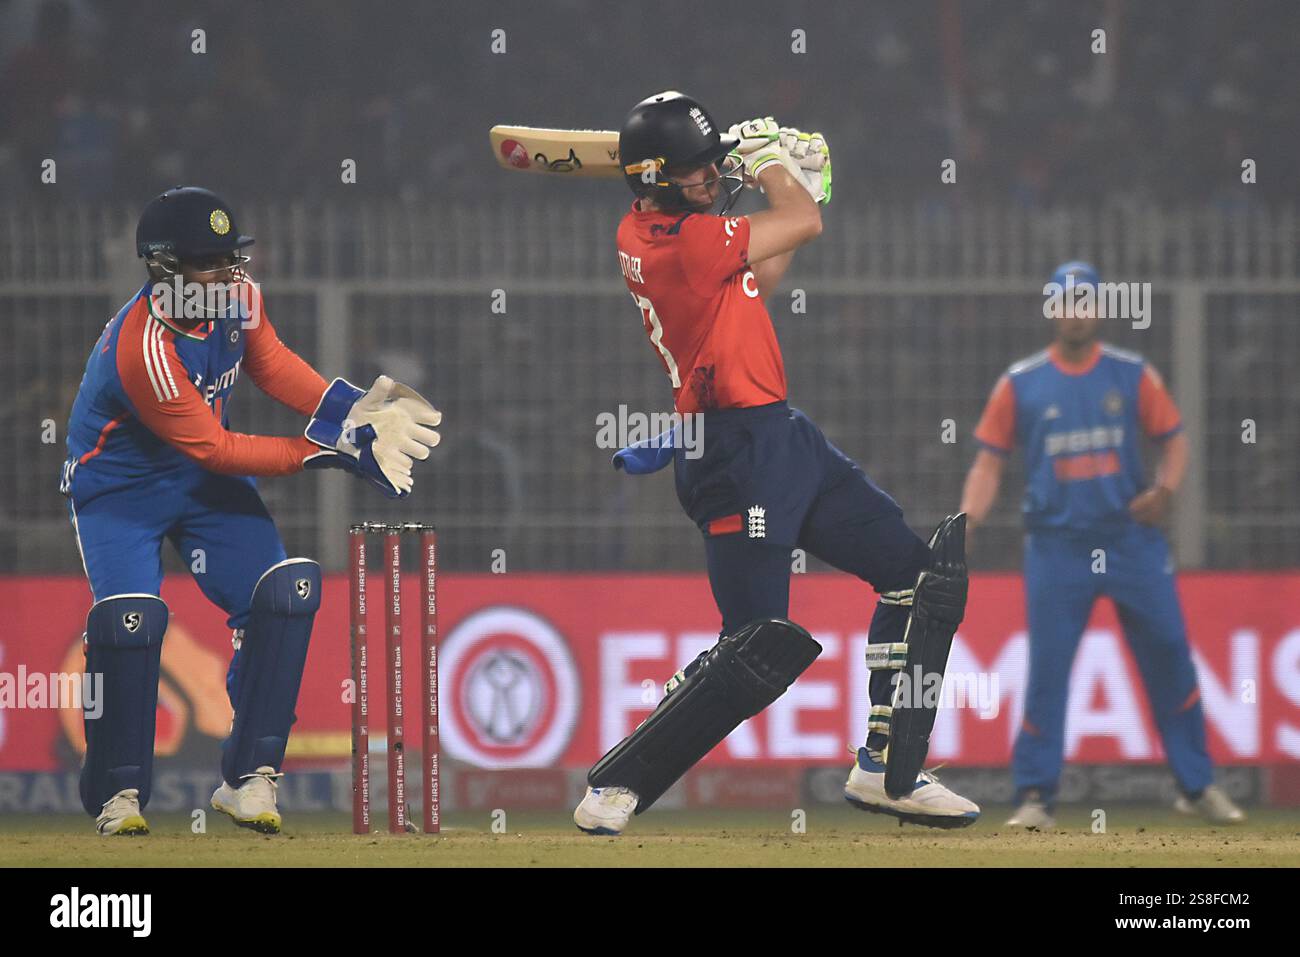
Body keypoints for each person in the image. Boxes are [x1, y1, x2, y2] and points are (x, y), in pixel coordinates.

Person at [573, 92, 979, 835]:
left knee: (921, 581)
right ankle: (616, 784)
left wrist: (798, 181)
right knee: (757, 647)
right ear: (659, 179)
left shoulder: (674, 227)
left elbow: (771, 264)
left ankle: (888, 768)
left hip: (780, 438)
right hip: (732, 453)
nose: (711, 177)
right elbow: (804, 222)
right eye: (698, 171)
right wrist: (776, 167)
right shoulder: (682, 243)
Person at [62, 185, 442, 835]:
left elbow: (273, 366)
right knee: (132, 621)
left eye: (233, 256)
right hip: (119, 491)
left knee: (290, 590)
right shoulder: (144, 346)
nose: (230, 274)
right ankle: (117, 792)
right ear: (163, 268)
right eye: (210, 262)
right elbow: (212, 447)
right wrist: (325, 449)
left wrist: (347, 409)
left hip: (199, 481)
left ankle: (249, 778)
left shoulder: (239, 297)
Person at [959, 260, 1244, 827]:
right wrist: (964, 525)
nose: (1075, 312)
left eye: (1085, 302)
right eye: (1065, 302)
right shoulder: (1020, 382)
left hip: (1131, 540)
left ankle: (1197, 785)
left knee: (1169, 656)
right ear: (1052, 310)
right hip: (1056, 545)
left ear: (1098, 309)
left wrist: (1166, 490)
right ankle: (1035, 797)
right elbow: (989, 465)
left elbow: (1176, 441)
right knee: (1048, 670)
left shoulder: (1132, 374)